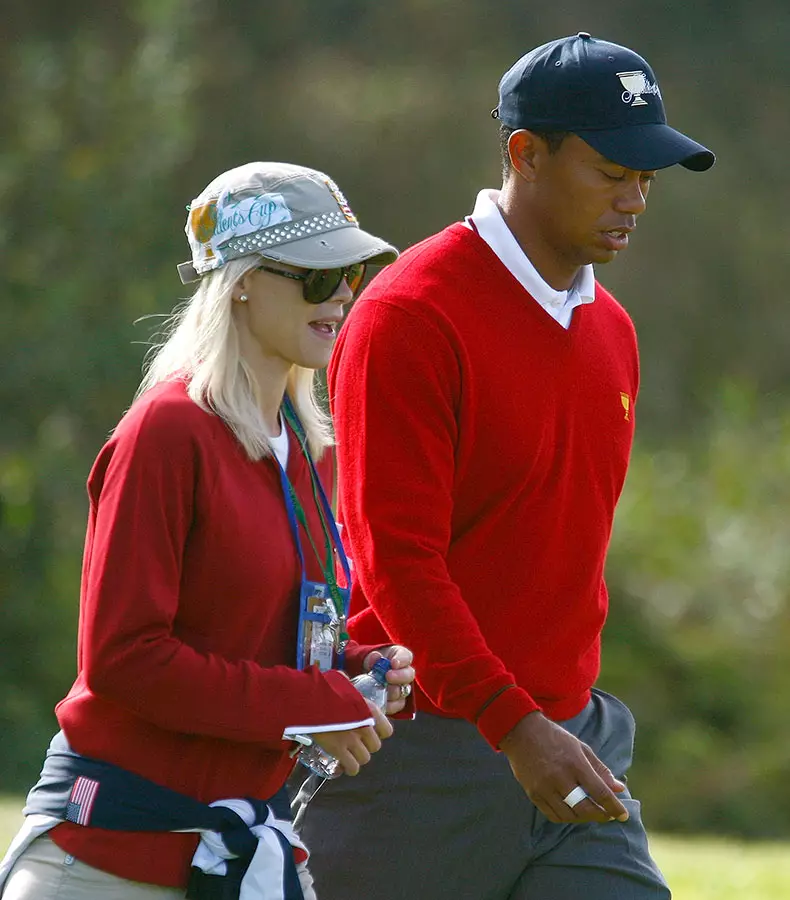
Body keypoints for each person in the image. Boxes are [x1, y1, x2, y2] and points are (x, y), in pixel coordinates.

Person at [299, 33, 714, 900]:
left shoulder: (614, 334)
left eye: (648, 178)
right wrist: (513, 725)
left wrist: (550, 724)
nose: (636, 200)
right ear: (526, 153)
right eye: (612, 172)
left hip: (572, 736)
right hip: (422, 759)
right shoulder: (410, 317)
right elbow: (398, 563)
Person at [0, 161, 415, 900]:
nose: (343, 295)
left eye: (350, 275)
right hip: (104, 863)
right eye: (319, 277)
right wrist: (312, 705)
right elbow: (125, 658)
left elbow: (257, 634)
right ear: (244, 279)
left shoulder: (311, 451)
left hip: (236, 858)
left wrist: (356, 670)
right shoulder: (167, 431)